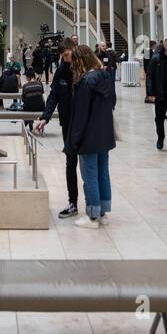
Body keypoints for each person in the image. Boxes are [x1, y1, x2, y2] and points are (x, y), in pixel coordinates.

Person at [67, 46, 116, 228]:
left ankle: (92, 216)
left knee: (90, 175)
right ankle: (102, 211)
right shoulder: (105, 76)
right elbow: (113, 102)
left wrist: (74, 140)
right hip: (104, 133)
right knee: (103, 172)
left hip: (89, 136)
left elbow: (80, 115)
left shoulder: (86, 82)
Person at [37, 43, 79, 218]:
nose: (66, 59)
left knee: (90, 165)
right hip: (68, 123)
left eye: (68, 55)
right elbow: (54, 95)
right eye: (64, 56)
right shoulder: (61, 70)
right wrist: (45, 117)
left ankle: (98, 205)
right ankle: (73, 202)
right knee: (70, 163)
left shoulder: (83, 70)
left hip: (84, 123)